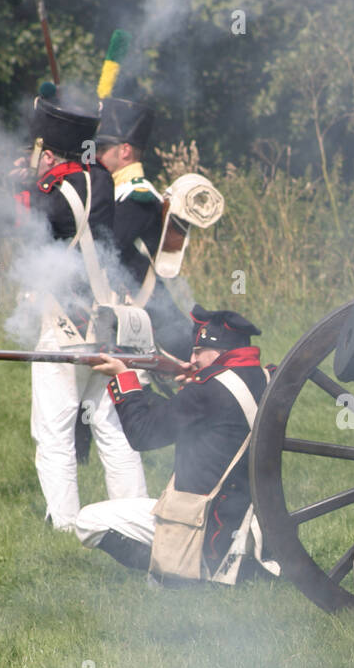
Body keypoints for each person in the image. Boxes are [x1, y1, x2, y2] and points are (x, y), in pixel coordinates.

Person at [18, 86, 147, 531]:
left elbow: (26, 237)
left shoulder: (49, 190)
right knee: (111, 427)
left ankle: (66, 523)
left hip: (64, 322)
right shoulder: (101, 179)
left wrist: (22, 186)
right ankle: (133, 513)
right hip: (105, 315)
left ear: (47, 152)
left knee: (53, 431)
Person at [75, 306, 274, 582]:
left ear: (216, 353)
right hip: (250, 520)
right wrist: (177, 390)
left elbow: (142, 434)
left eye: (197, 351)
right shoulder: (266, 379)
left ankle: (174, 573)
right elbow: (195, 416)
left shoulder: (206, 389)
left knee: (87, 522)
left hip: (203, 525)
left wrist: (123, 377)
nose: (191, 358)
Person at [95, 94, 196, 358]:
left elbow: (107, 246)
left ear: (125, 151)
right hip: (128, 311)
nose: (96, 156)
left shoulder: (137, 196)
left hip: (147, 315)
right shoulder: (119, 192)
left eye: (102, 150)